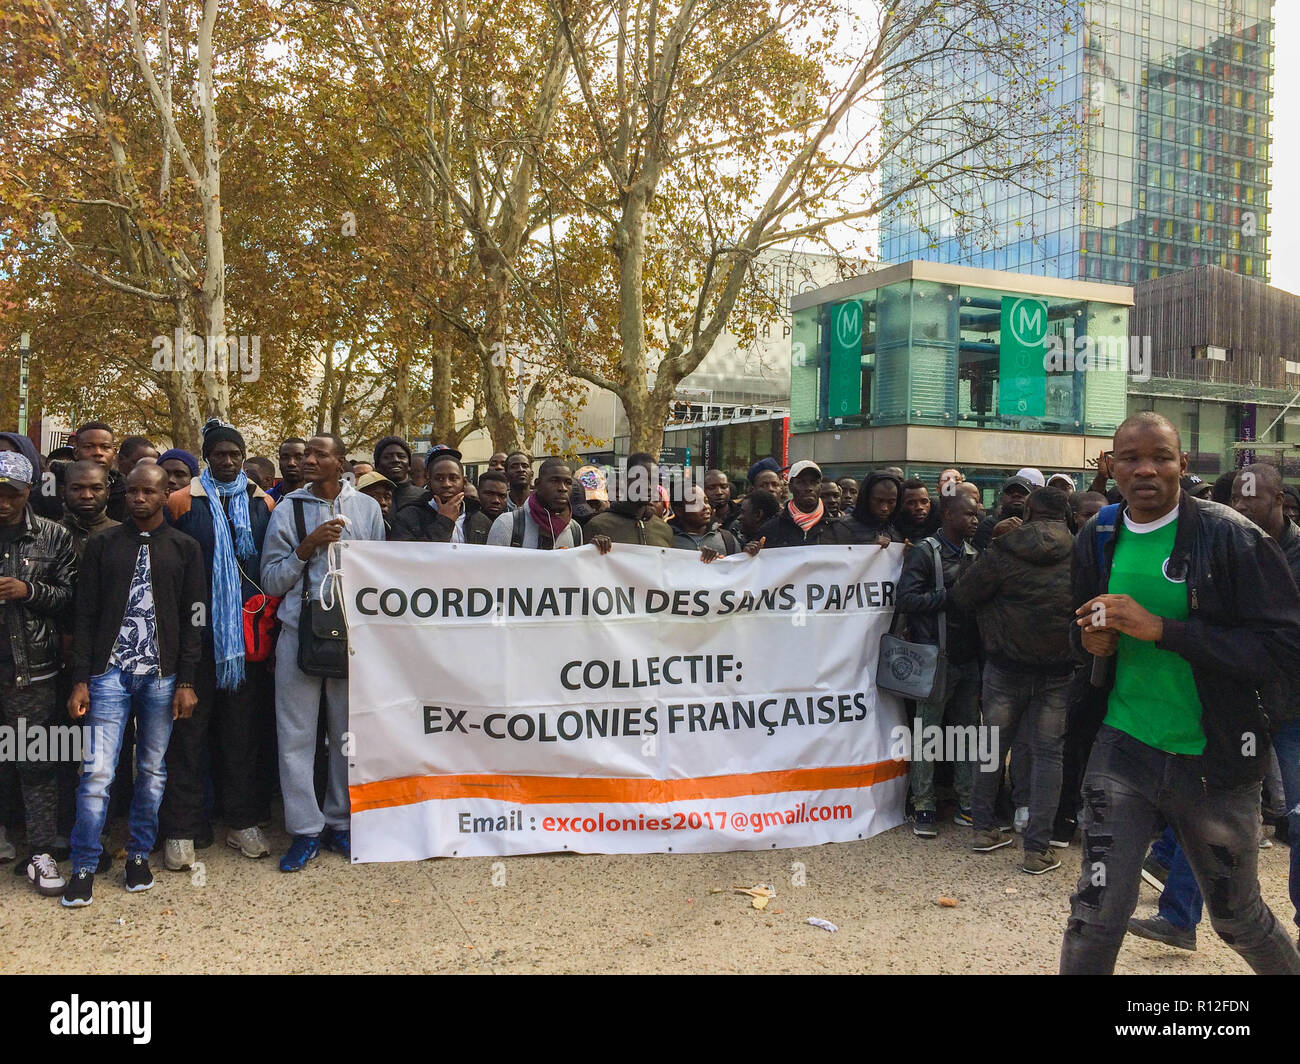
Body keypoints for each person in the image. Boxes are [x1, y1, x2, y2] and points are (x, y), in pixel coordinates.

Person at [1059, 412, 1300, 974]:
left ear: (1182, 466)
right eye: (1131, 458)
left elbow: (1283, 650)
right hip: (1124, 748)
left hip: (1215, 758)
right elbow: (1076, 628)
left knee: (1237, 916)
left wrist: (1163, 630)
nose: (1146, 469)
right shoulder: (1097, 535)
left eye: (1161, 457)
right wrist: (1088, 641)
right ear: (1111, 466)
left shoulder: (1232, 535)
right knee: (1094, 914)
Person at [1129, 463, 1300, 953]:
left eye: (1254, 499)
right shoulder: (1222, 543)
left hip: (1291, 708)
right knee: (1205, 804)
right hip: (1235, 703)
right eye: (1237, 499)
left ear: (1281, 503)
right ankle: (1179, 915)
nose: (1242, 506)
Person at [60, 464, 204, 907]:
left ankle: (139, 854)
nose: (139, 498)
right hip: (108, 675)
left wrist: (187, 680)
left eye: (149, 491)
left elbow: (194, 618)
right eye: (133, 491)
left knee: (152, 771)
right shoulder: (104, 544)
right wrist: (80, 679)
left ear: (166, 495)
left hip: (161, 678)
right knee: (97, 773)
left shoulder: (185, 547)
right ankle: (84, 862)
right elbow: (84, 616)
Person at [259, 435, 384, 871]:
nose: (308, 460)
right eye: (305, 455)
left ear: (341, 462)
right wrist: (307, 547)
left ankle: (341, 821)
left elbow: (380, 578)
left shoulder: (367, 509)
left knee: (347, 736)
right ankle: (305, 830)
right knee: (296, 737)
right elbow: (271, 581)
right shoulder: (289, 508)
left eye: (319, 455)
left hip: (352, 636)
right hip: (300, 634)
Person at [162, 419, 276, 867]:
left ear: (244, 456)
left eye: (235, 454)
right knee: (188, 734)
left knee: (241, 734)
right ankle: (183, 829)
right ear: (206, 457)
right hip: (195, 638)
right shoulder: (182, 501)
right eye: (220, 454)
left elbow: (269, 568)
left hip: (246, 642)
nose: (228, 461)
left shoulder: (262, 502)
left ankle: (242, 821)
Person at [950, 487, 1075, 874]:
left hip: (1005, 665)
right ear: (1066, 513)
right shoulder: (1082, 552)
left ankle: (983, 829)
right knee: (1048, 756)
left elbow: (962, 597)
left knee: (990, 747)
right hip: (1058, 669)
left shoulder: (1003, 550)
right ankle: (1037, 849)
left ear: (1029, 510)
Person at [0, 451, 77, 895]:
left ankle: (42, 851)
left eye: (11, 494)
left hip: (32, 670)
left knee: (36, 762)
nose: (3, 503)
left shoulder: (53, 536)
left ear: (29, 491)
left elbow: (71, 597)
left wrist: (28, 589)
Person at [896, 491, 982, 837]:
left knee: (967, 734)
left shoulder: (975, 553)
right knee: (928, 733)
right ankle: (925, 805)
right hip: (935, 655)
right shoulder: (925, 551)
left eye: (978, 514)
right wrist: (949, 596)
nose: (975, 520)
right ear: (948, 514)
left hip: (968, 656)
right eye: (968, 514)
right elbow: (905, 599)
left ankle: (966, 801)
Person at [390, 448, 493, 544]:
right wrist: (444, 521)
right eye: (439, 478)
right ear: (429, 482)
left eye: (453, 478)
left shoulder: (481, 521)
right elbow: (410, 558)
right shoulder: (407, 518)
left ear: (464, 482)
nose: (446, 484)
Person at [489, 458, 590, 549]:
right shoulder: (507, 524)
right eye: (554, 481)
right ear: (538, 484)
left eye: (568, 483)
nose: (562, 488)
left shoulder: (575, 530)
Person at [585, 454, 675, 547]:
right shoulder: (599, 526)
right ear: (625, 480)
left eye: (653, 480)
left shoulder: (665, 530)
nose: (648, 486)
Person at [752, 460, 834, 548]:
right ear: (790, 487)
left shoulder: (838, 528)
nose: (808, 488)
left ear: (821, 487)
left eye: (814, 482)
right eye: (801, 482)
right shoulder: (770, 530)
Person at [824, 470, 902, 547]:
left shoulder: (896, 532)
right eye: (879, 501)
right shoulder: (841, 528)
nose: (885, 508)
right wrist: (869, 547)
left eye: (891, 502)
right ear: (866, 498)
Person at [59, 461, 119, 557]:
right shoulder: (50, 535)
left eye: (96, 488)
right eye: (77, 489)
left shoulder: (123, 535)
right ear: (63, 492)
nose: (87, 496)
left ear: (107, 493)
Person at [672, 485, 739, 557]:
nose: (705, 507)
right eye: (696, 503)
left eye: (706, 501)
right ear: (679, 511)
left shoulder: (727, 539)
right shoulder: (667, 541)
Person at [971, 474, 1033, 551]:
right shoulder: (989, 525)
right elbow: (978, 559)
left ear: (1032, 498)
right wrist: (996, 535)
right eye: (1010, 492)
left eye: (1023, 492)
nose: (1016, 495)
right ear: (1001, 498)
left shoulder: (1037, 525)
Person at [373, 436, 423, 511]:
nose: (395, 460)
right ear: (377, 466)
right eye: (387, 457)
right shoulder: (368, 499)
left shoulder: (424, 497)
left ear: (409, 465)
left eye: (401, 456)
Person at [356, 471, 396, 535]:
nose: (383, 502)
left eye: (387, 496)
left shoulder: (396, 527)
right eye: (373, 497)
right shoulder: (350, 527)